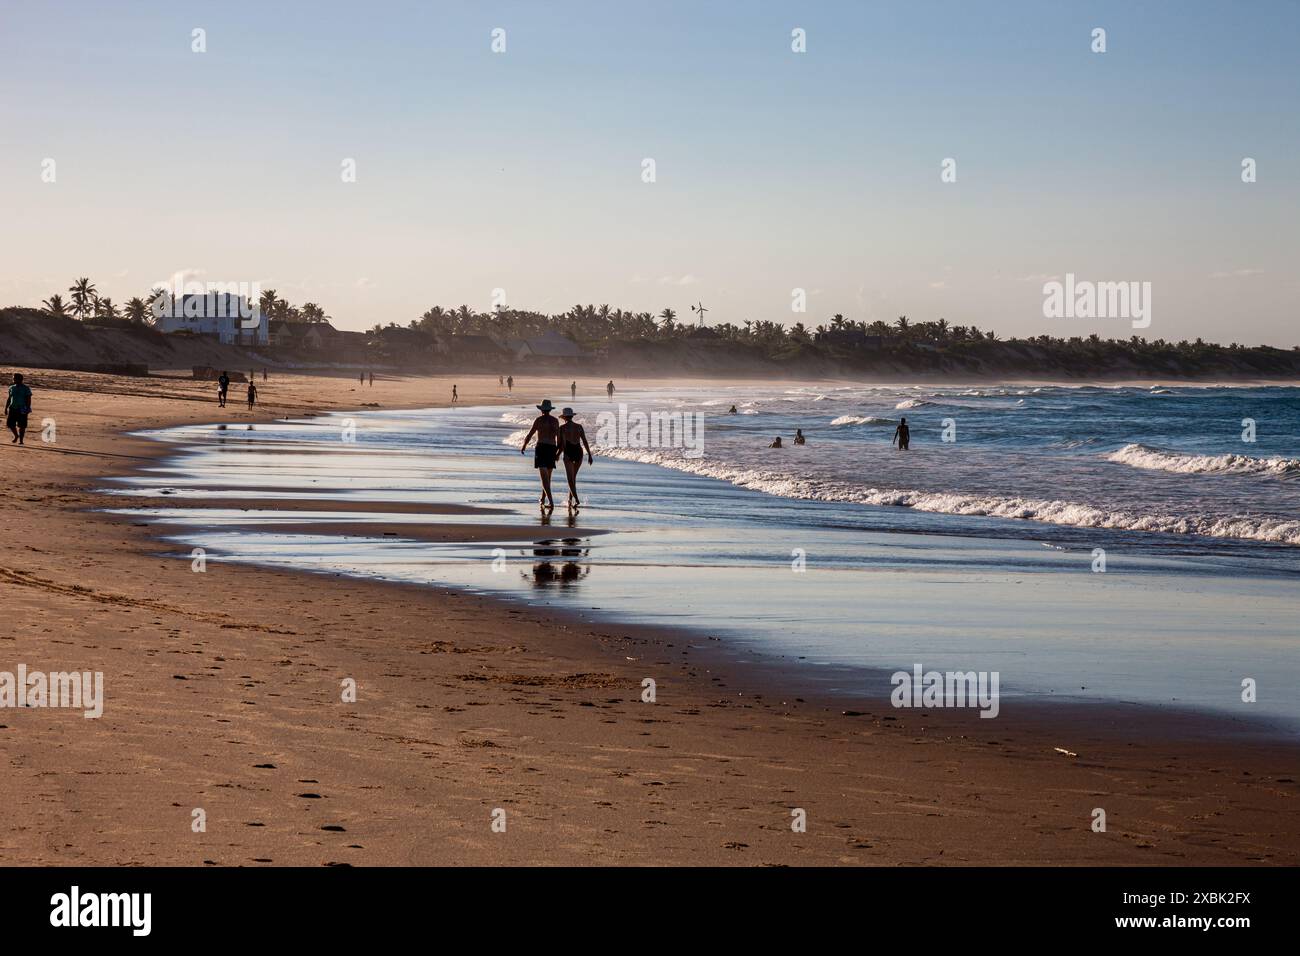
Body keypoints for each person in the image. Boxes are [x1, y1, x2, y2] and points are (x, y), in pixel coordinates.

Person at [521, 399, 561, 509]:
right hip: (552, 448)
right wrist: (557, 453)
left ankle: (551, 502)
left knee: (544, 478)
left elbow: (530, 434)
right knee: (547, 477)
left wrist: (524, 445)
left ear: (541, 410)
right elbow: (559, 439)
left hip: (542, 448)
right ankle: (543, 498)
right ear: (550, 409)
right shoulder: (555, 421)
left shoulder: (539, 420)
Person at [557, 407, 593, 507]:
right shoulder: (579, 426)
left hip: (568, 452)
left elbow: (560, 445)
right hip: (578, 451)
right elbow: (585, 441)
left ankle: (576, 500)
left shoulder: (562, 428)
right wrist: (589, 455)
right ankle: (569, 501)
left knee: (570, 479)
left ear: (563, 417)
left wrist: (557, 455)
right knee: (573, 478)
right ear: (572, 416)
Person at [5, 373, 32, 445]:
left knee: (22, 426)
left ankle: (21, 440)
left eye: (14, 378)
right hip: (12, 408)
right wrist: (6, 408)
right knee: (10, 424)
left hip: (22, 408)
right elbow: (9, 398)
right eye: (13, 378)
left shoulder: (26, 388)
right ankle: (16, 435)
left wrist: (27, 408)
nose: (13, 380)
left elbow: (28, 399)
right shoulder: (11, 387)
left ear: (20, 379)